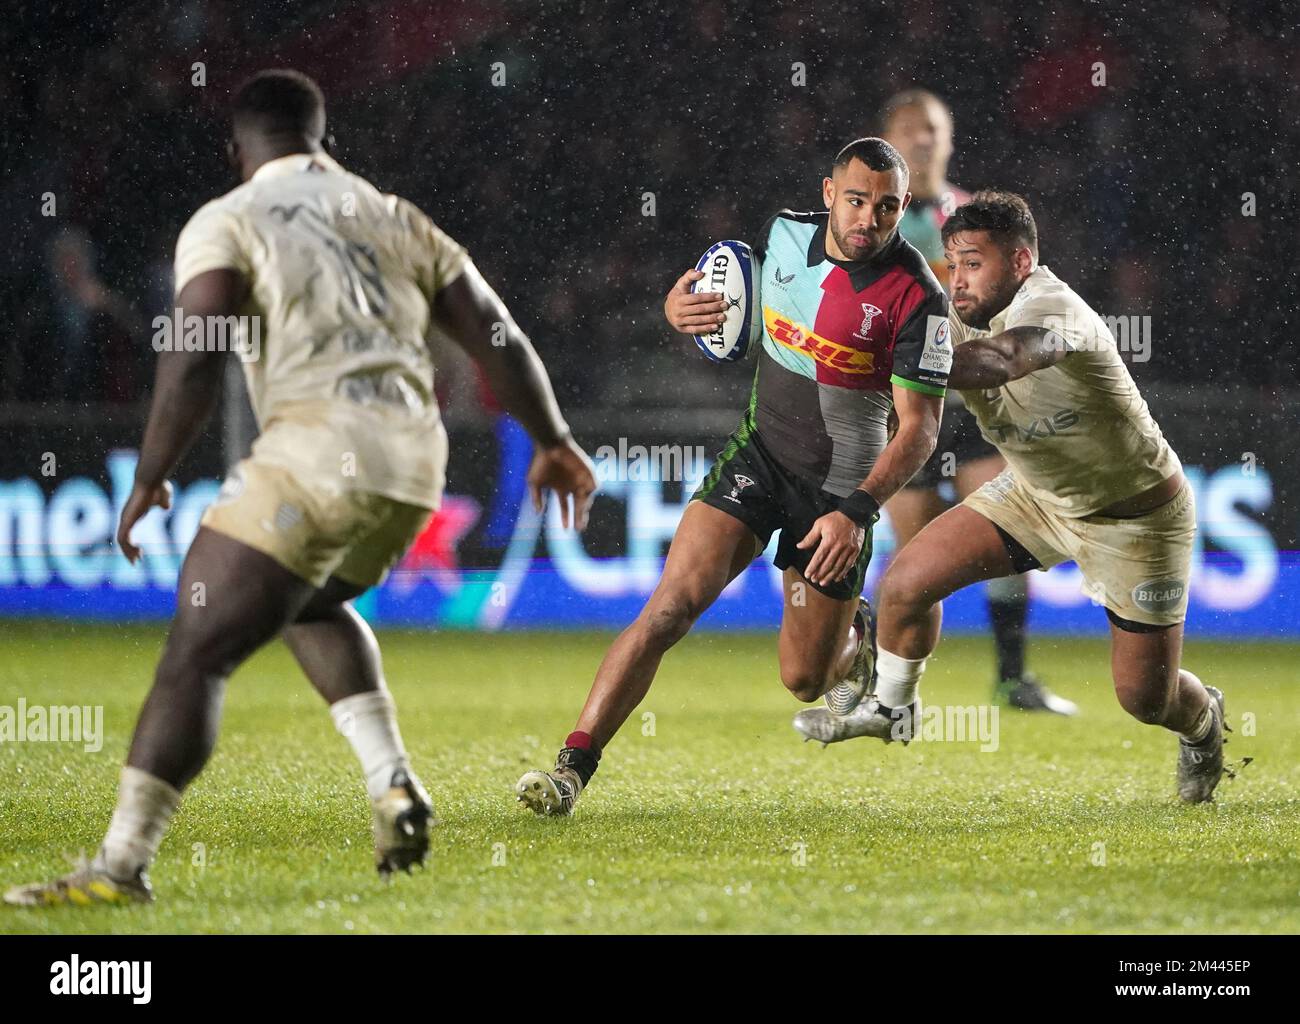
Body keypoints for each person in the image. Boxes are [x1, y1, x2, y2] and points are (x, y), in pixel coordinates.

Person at [6, 69, 595, 906]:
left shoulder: (229, 217)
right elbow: (498, 332)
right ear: (322, 140)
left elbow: (197, 352)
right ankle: (393, 781)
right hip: (409, 467)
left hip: (317, 454)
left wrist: (149, 475)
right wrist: (556, 442)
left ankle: (120, 866)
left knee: (197, 645)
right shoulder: (392, 214)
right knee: (307, 600)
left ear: (237, 149)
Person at [515, 137, 951, 816]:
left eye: (888, 206)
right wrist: (676, 311)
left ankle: (856, 641)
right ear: (829, 194)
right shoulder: (780, 239)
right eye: (859, 200)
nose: (871, 218)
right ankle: (571, 770)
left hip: (838, 498)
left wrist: (858, 511)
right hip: (757, 461)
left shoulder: (916, 295)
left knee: (805, 680)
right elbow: (717, 312)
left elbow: (920, 429)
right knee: (667, 609)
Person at [792, 192, 1227, 804]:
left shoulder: (1055, 308)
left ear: (1021, 260)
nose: (957, 279)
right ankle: (893, 709)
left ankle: (1203, 721)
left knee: (1144, 699)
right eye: (951, 262)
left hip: (1135, 519)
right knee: (906, 583)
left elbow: (1004, 357)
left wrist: (905, 361)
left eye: (973, 263)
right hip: (1033, 495)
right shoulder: (950, 313)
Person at [881, 88, 1072, 714]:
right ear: (889, 140)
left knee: (1008, 529)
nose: (923, 139)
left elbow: (1005, 290)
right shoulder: (875, 219)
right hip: (906, 403)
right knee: (915, 555)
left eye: (933, 128)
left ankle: (1014, 678)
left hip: (976, 405)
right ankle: (895, 693)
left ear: (950, 139)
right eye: (910, 128)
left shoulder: (970, 213)